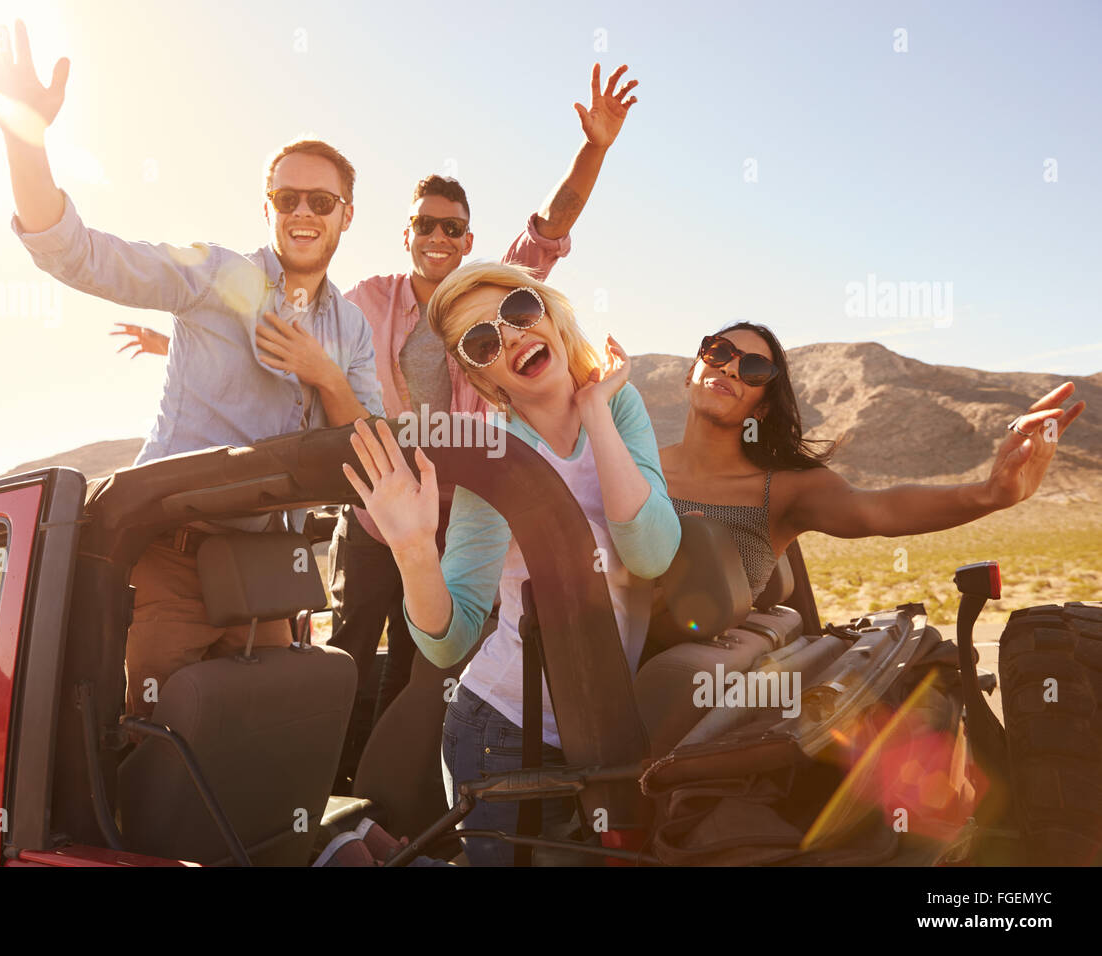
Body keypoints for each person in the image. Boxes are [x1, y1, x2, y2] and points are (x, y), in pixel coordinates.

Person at [109, 64, 643, 728]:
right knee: (355, 647)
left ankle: (412, 797)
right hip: (374, 514)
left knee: (436, 662)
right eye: (426, 226)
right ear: (407, 235)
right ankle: (336, 783)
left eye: (452, 228)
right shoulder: (365, 303)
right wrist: (183, 345)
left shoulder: (491, 301)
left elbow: (548, 226)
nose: (438, 238)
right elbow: (288, 336)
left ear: (469, 241)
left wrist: (593, 148)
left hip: (461, 513)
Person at [0, 20, 385, 717]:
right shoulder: (214, 275)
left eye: (320, 201)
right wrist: (25, 137)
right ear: (268, 209)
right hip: (174, 556)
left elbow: (372, 449)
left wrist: (326, 375)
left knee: (258, 738)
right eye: (286, 198)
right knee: (156, 737)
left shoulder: (349, 328)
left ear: (345, 216)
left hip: (272, 574)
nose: (302, 212)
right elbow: (74, 252)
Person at [341, 262, 681, 865]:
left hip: (598, 724)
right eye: (482, 341)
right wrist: (414, 548)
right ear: (480, 373)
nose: (514, 335)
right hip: (502, 730)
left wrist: (596, 406)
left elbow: (650, 553)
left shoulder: (620, 407)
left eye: (519, 310)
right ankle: (352, 852)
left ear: (548, 309)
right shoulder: (492, 458)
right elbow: (449, 643)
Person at [660, 322, 1087, 598]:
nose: (731, 369)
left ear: (763, 407)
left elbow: (879, 509)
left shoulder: (785, 490)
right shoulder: (631, 468)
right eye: (719, 352)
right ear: (692, 370)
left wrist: (988, 494)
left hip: (692, 697)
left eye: (754, 369)